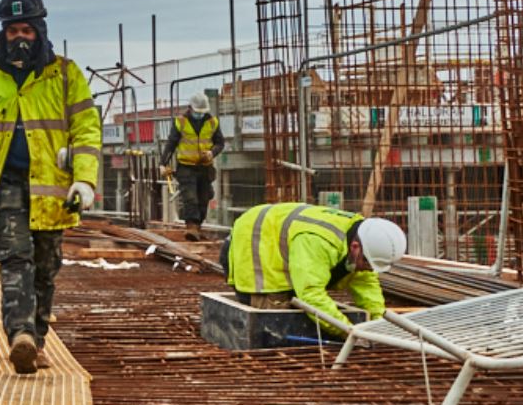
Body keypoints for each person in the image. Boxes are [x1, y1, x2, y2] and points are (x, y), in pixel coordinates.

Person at [0, 0, 102, 375]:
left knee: (44, 266)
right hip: (5, 183)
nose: (19, 39)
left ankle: (35, 342)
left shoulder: (66, 75)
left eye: (26, 31)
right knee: (14, 258)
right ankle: (20, 334)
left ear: (40, 31)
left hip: (52, 187)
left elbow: (86, 129)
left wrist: (85, 181)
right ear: (2, 34)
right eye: (12, 31)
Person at [223, 202, 404, 337]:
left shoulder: (360, 241)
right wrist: (347, 331)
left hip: (281, 243)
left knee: (299, 306)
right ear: (355, 247)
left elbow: (367, 288)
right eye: (367, 264)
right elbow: (310, 295)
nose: (367, 270)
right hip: (252, 242)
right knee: (274, 315)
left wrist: (378, 324)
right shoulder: (318, 242)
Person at [161, 91, 222, 238]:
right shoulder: (181, 122)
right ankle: (191, 227)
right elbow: (171, 144)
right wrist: (163, 163)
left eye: (202, 112)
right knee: (190, 197)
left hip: (205, 167)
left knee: (204, 198)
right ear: (190, 108)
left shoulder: (212, 122)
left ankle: (198, 226)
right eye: (197, 112)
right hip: (186, 166)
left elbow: (220, 143)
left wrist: (212, 153)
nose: (199, 115)